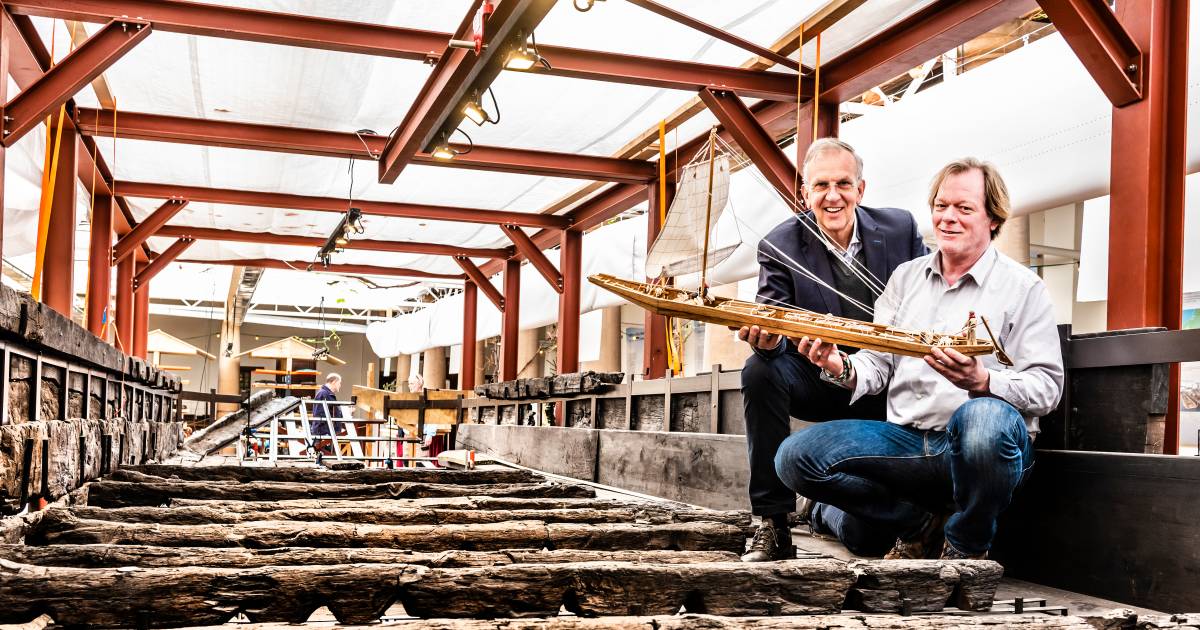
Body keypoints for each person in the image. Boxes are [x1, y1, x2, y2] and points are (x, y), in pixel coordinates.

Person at [776, 157, 1064, 560]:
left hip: (982, 452)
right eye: (940, 206)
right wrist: (837, 365)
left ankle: (966, 546)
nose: (948, 217)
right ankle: (916, 527)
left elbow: (1048, 389)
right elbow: (877, 365)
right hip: (908, 444)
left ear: (993, 220)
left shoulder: (1024, 288)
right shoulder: (905, 278)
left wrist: (983, 382)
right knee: (794, 458)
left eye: (964, 208)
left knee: (982, 417)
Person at [738, 138, 927, 561]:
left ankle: (823, 511)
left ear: (861, 190)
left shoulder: (901, 230)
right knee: (758, 370)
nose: (833, 195)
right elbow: (772, 322)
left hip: (887, 387)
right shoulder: (778, 245)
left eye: (844, 183)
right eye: (820, 185)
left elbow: (933, 298)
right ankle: (772, 522)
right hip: (821, 380)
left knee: (867, 540)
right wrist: (768, 345)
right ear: (804, 192)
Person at [309, 373, 343, 455]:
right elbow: (319, 415)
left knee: (328, 457)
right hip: (323, 434)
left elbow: (332, 412)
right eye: (339, 383)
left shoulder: (328, 394)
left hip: (327, 433)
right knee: (325, 457)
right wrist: (324, 433)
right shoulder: (323, 394)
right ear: (334, 382)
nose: (340, 385)